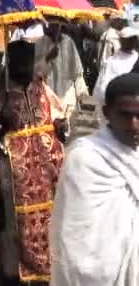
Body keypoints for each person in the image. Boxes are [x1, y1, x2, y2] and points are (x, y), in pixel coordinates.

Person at [51, 72, 139, 286]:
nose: (134, 124)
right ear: (106, 113)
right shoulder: (84, 158)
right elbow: (72, 243)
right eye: (125, 115)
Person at [0, 40, 65, 285]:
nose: (26, 69)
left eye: (29, 62)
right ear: (11, 64)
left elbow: (60, 116)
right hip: (13, 182)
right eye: (21, 64)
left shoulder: (43, 90)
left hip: (47, 181)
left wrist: (61, 126)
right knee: (14, 234)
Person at [43, 22, 89, 114]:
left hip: (67, 98)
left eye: (57, 25)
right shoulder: (41, 43)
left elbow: (77, 72)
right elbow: (37, 73)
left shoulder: (68, 41)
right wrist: (47, 58)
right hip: (48, 98)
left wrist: (82, 94)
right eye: (52, 24)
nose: (55, 27)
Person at [94, 26, 139, 111]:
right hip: (117, 107)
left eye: (132, 39)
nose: (130, 42)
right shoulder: (111, 62)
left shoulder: (137, 59)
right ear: (121, 41)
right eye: (127, 40)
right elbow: (101, 89)